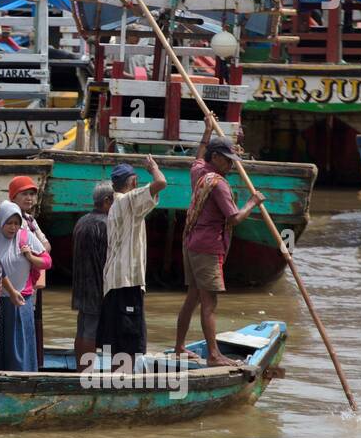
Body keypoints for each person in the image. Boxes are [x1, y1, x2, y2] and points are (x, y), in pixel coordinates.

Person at [172, 123, 265, 367]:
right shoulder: (219, 184)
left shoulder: (199, 173)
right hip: (207, 248)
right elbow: (234, 218)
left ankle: (179, 347)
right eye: (227, 160)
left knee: (192, 297)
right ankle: (214, 356)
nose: (232, 165)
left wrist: (206, 131)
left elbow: (198, 156)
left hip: (191, 243)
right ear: (216, 158)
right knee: (209, 303)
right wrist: (252, 202)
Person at [98, 156, 166, 365]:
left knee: (117, 339)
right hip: (127, 280)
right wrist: (153, 167)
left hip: (115, 281)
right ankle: (125, 382)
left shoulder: (117, 205)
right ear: (133, 182)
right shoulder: (127, 201)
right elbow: (161, 183)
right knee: (129, 340)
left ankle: (117, 380)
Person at [0, 200, 51, 372]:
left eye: (16, 223)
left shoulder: (25, 236)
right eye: (9, 223)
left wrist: (30, 257)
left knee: (20, 344)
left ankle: (24, 376)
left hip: (20, 300)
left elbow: (47, 262)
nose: (13, 227)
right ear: (0, 221)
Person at [71, 182, 114, 370]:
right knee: (90, 332)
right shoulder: (106, 224)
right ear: (107, 201)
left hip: (81, 283)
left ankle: (81, 371)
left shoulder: (82, 221)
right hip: (98, 286)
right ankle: (86, 374)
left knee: (82, 329)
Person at [8, 175, 51, 358]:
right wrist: (36, 252)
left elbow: (46, 246)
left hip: (31, 280)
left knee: (30, 321)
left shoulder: (30, 220)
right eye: (24, 194)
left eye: (32, 194)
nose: (29, 198)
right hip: (16, 282)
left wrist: (33, 253)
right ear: (13, 197)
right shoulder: (12, 219)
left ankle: (30, 361)